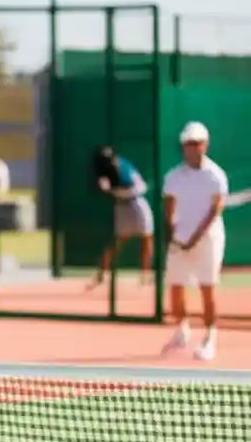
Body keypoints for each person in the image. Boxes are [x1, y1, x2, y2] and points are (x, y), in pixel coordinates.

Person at [161, 122, 227, 361]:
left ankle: (210, 338)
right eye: (188, 143)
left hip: (208, 240)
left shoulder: (216, 176)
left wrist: (194, 239)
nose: (192, 148)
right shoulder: (173, 177)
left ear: (205, 145)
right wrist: (174, 238)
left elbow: (214, 211)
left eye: (196, 143)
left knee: (207, 288)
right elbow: (168, 209)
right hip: (180, 241)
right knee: (175, 290)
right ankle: (182, 330)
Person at [90, 145, 154, 287]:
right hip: (121, 205)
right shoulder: (104, 171)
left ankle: (145, 275)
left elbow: (123, 183)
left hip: (137, 202)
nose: (109, 162)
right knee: (120, 240)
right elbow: (105, 187)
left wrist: (108, 184)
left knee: (147, 238)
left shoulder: (122, 167)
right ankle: (102, 272)